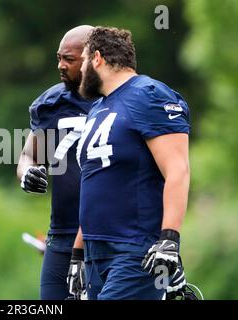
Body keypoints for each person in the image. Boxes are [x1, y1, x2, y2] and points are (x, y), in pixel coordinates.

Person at [77, 26, 190, 300]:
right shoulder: (99, 107)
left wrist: (169, 239)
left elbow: (178, 168)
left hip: (134, 251)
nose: (80, 70)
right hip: (96, 254)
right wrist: (77, 253)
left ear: (97, 58)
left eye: (82, 60)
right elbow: (95, 182)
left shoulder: (149, 94)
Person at [17, 25, 96, 300]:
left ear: (94, 59)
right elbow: (28, 155)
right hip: (62, 234)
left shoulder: (119, 98)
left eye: (69, 60)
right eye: (59, 58)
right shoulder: (52, 103)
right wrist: (28, 173)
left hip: (109, 236)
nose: (61, 66)